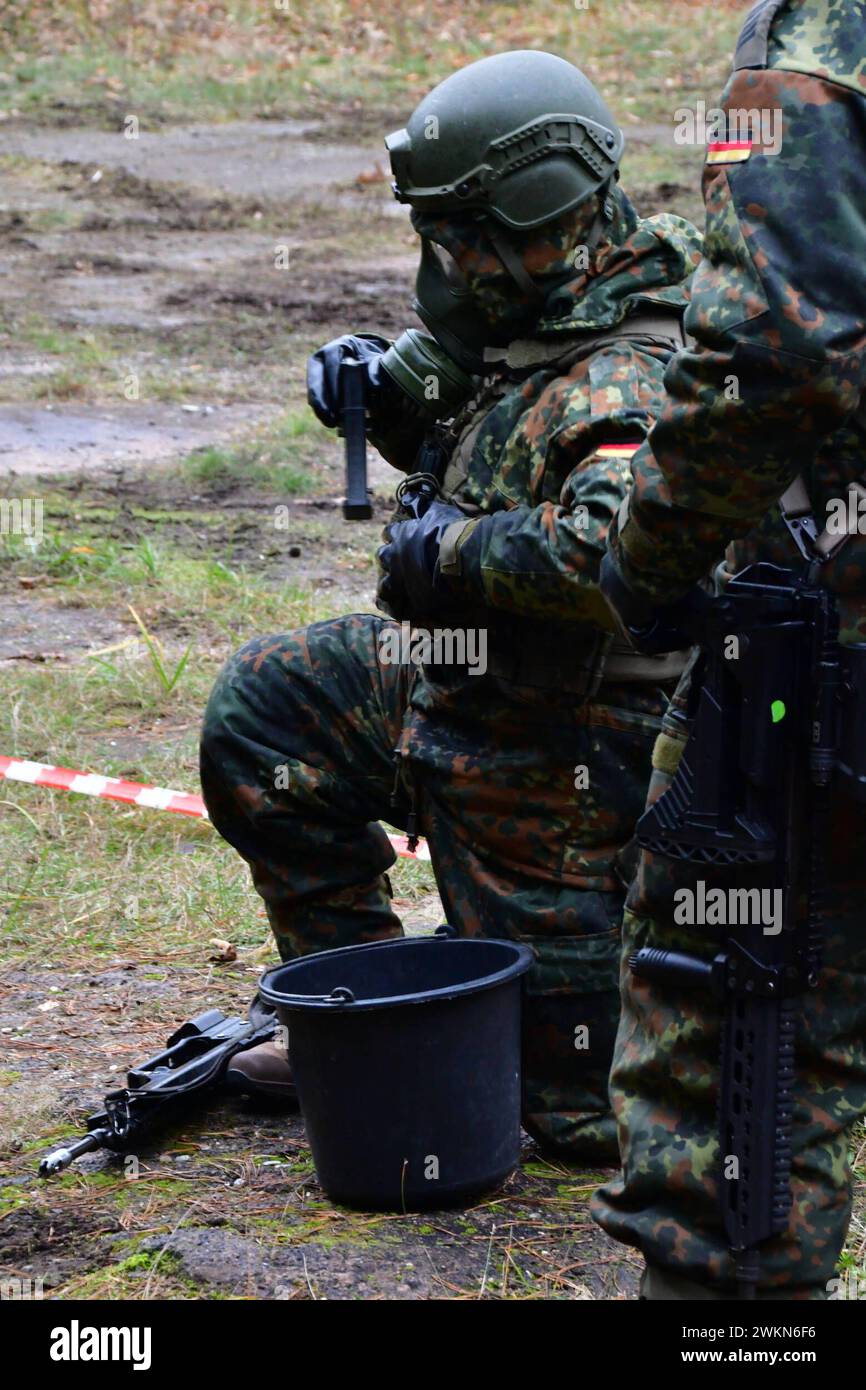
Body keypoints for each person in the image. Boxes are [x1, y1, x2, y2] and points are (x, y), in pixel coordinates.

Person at [201, 49, 701, 1163]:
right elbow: (464, 403)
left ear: (541, 213)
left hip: (574, 761)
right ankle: (363, 1005)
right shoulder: (541, 301)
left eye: (467, 233)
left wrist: (454, 554)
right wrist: (377, 387)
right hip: (471, 696)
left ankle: (557, 1002)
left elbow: (606, 554)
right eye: (439, 234)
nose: (451, 262)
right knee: (270, 704)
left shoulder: (630, 364)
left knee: (573, 1110)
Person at [593, 0, 866, 1296]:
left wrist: (641, 562)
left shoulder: (813, 41)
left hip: (816, 659)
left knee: (727, 1080)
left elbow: (765, 347)